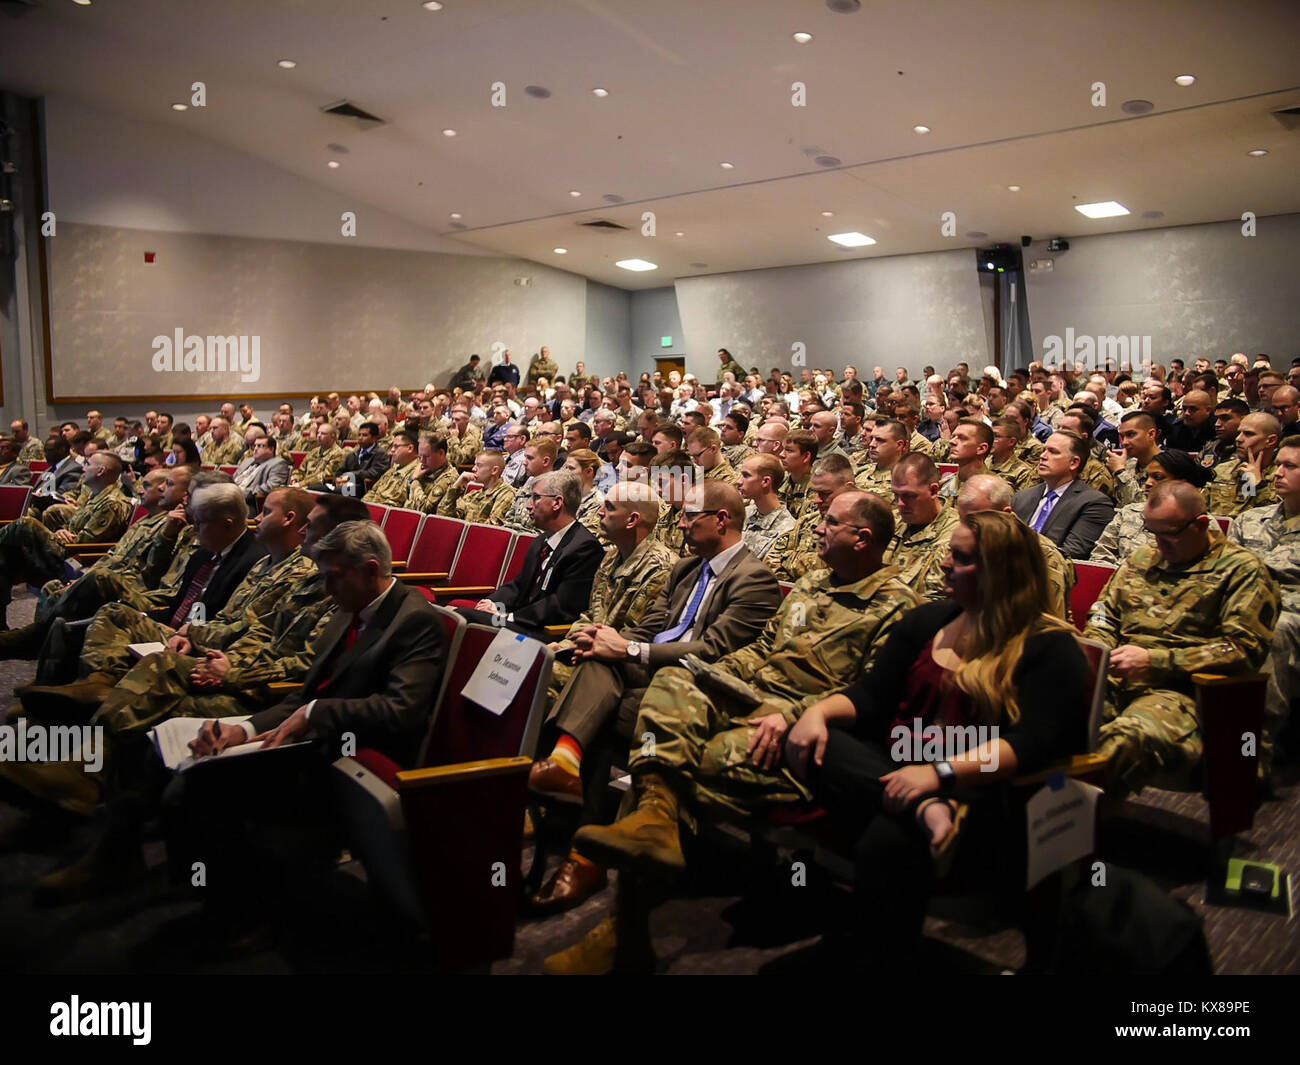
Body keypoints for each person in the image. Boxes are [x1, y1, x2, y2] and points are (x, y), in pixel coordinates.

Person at [545, 491, 921, 973]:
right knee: (678, 677)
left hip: (795, 726)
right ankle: (652, 823)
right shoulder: (810, 583)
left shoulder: (897, 607)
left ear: (862, 537)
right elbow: (759, 650)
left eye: (829, 522)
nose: (818, 528)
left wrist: (794, 712)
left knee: (674, 763)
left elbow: (870, 694)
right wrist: (718, 678)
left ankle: (622, 930)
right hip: (748, 698)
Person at [753, 511, 1089, 970]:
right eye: (950, 552)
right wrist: (818, 710)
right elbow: (872, 697)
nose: (946, 564)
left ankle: (881, 953)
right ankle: (922, 810)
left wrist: (940, 773)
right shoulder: (930, 619)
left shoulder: (1049, 647)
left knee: (887, 840)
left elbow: (1028, 746)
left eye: (962, 558)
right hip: (893, 770)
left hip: (980, 791)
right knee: (809, 732)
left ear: (1001, 571)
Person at [157, 521, 448, 948]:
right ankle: (230, 900)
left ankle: (248, 912)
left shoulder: (415, 620)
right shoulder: (347, 609)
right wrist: (244, 730)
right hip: (311, 743)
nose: (326, 588)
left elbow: (401, 712)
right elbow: (305, 695)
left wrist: (317, 713)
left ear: (371, 570)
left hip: (352, 760)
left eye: (334, 576)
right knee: (189, 776)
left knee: (201, 788)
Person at [1084, 481, 1279, 797]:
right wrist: (1099, 649)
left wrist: (1155, 661)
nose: (1159, 545)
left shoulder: (1242, 571)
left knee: (1124, 741)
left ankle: (1076, 831)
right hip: (1115, 677)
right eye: (1153, 533)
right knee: (1046, 712)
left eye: (1169, 535)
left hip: (1185, 693)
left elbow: (1243, 650)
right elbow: (1103, 613)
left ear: (1200, 524)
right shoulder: (1140, 560)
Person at [455, 470, 603, 638]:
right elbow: (520, 585)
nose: (528, 505)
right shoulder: (542, 540)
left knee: (464, 616)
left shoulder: (585, 548)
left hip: (543, 631)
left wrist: (506, 617)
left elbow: (560, 605)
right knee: (459, 614)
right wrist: (493, 603)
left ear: (557, 503)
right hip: (520, 621)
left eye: (536, 497)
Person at [1227, 435, 1300, 775]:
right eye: (1279, 464)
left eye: (1291, 466)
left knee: (1273, 632)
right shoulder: (1249, 519)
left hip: (1290, 609)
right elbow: (1226, 570)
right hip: (1241, 600)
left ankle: (1254, 753)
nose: (1278, 473)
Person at [0, 452, 133, 627]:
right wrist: (61, 531)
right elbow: (71, 528)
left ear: (100, 471)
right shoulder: (96, 496)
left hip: (70, 559)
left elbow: (83, 542)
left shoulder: (112, 504)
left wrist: (62, 534)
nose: (83, 468)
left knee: (26, 524)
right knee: (4, 557)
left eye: (88, 464)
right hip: (63, 548)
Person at [1089, 450, 1213, 567]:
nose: (1148, 483)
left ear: (1181, 484)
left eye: (1157, 477)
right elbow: (1101, 553)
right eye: (1148, 476)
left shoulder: (1199, 524)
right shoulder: (1129, 512)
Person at [1011, 430, 1115, 559]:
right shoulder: (1022, 496)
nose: (1043, 456)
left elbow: (1072, 552)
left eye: (1053, 452)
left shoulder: (1094, 503)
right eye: (1044, 450)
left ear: (1074, 463)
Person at [885, 453, 960, 599]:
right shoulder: (890, 521)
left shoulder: (956, 537)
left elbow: (938, 602)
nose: (900, 503)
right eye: (896, 495)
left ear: (933, 491)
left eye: (909, 496)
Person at [1206, 412, 1279, 516]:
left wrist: (1258, 485)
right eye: (1239, 433)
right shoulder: (1222, 469)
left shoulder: (1283, 475)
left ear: (1271, 440)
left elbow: (1277, 519)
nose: (1238, 439)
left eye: (1248, 434)